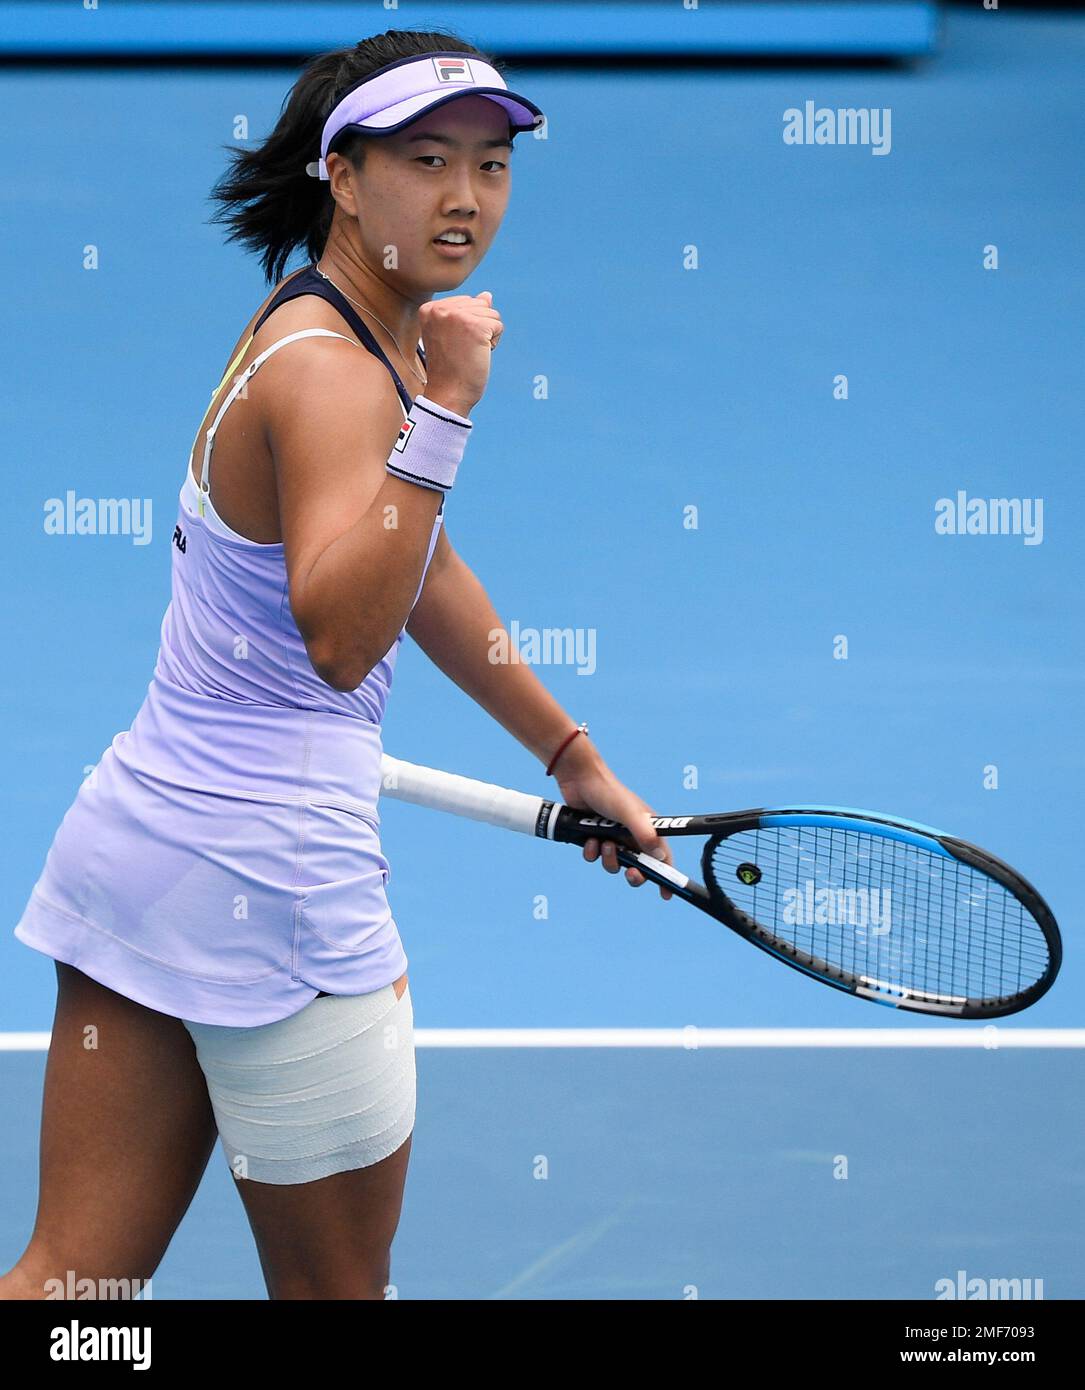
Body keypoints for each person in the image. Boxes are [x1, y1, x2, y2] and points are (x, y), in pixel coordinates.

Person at [2, 28, 673, 1302]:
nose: (465, 196)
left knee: (75, 1293)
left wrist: (566, 754)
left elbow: (414, 566)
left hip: (141, 854)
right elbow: (341, 632)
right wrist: (450, 416)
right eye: (425, 160)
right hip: (280, 902)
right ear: (343, 177)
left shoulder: (323, 326)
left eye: (490, 164)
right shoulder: (349, 381)